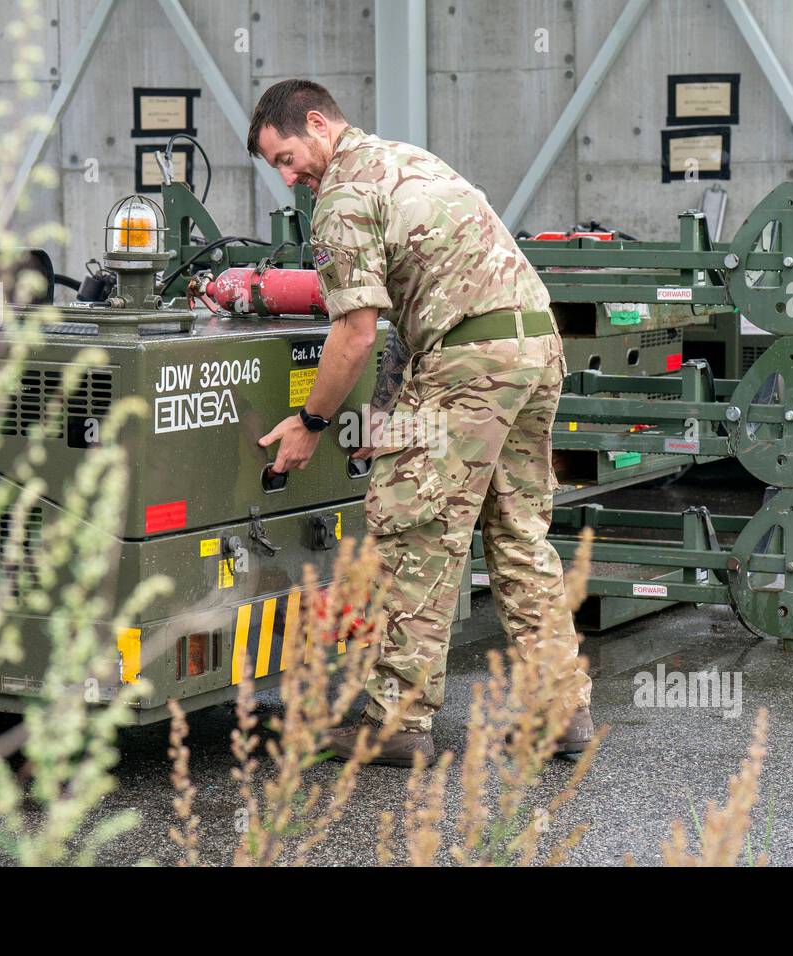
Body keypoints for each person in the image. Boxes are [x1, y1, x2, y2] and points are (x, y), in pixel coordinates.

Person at [250, 79, 592, 767]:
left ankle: (399, 723)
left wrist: (312, 423)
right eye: (276, 169)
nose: (289, 177)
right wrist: (382, 413)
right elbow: (417, 310)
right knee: (519, 534)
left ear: (319, 123)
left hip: (470, 365)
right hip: (533, 345)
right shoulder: (410, 161)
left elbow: (354, 331)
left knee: (416, 530)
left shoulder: (343, 196)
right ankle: (563, 713)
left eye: (287, 157)